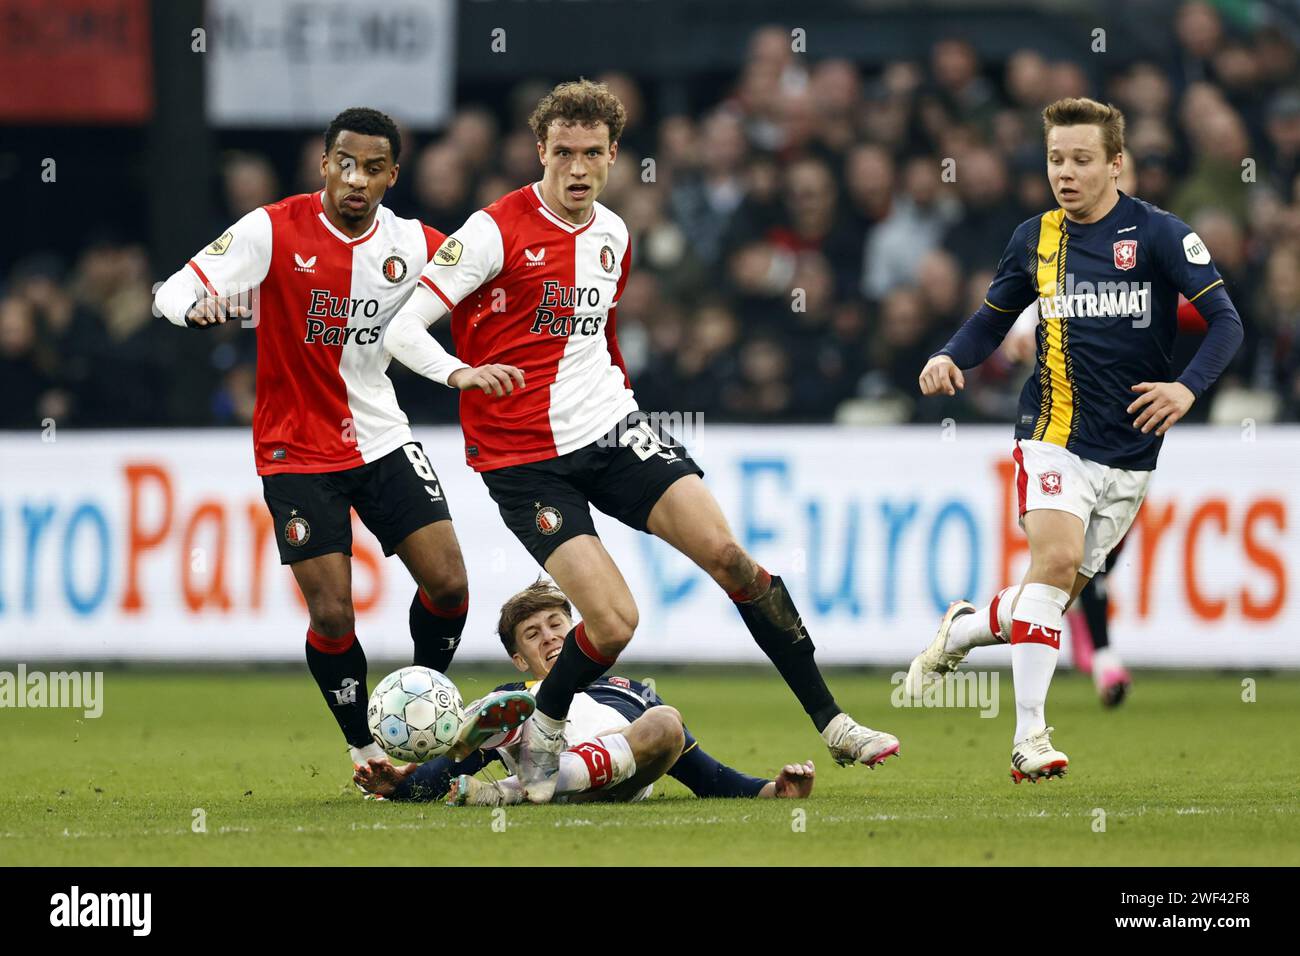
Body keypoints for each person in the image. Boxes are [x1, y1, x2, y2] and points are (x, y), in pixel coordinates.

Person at [382, 79, 898, 804]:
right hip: (526, 461)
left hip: (613, 431)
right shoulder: (492, 231)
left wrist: (626, 407)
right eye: (563, 152)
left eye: (593, 153)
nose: (578, 168)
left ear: (614, 154)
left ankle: (834, 721)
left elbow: (599, 338)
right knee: (615, 622)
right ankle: (547, 729)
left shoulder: (613, 235)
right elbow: (403, 329)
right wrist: (459, 371)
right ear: (541, 151)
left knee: (733, 560)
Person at [909, 97, 1242, 782]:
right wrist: (950, 356)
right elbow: (991, 318)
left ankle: (969, 628)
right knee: (1056, 563)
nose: (1065, 172)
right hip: (1052, 434)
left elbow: (1226, 321)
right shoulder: (1035, 238)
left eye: (1082, 159)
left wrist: (1186, 388)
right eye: (1056, 158)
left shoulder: (1159, 236)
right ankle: (1030, 737)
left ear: (1116, 164)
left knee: (1050, 593)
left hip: (1130, 454)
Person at [154, 108, 476, 777]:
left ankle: (417, 706)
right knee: (333, 614)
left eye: (373, 168)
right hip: (295, 449)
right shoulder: (271, 229)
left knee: (448, 584)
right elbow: (174, 289)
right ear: (325, 163)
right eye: (344, 163)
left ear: (392, 174)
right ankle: (364, 748)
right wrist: (194, 307)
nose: (356, 179)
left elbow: (487, 276)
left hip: (381, 436)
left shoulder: (414, 243)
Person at [353, 580, 817, 805]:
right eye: (532, 634)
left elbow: (708, 777)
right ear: (519, 659)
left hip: (615, 783)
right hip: (536, 745)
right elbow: (453, 766)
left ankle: (516, 791)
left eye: (557, 625)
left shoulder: (632, 692)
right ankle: (530, 780)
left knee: (665, 723)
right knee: (503, 718)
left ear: (579, 633)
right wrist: (402, 785)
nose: (550, 637)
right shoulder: (512, 697)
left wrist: (776, 791)